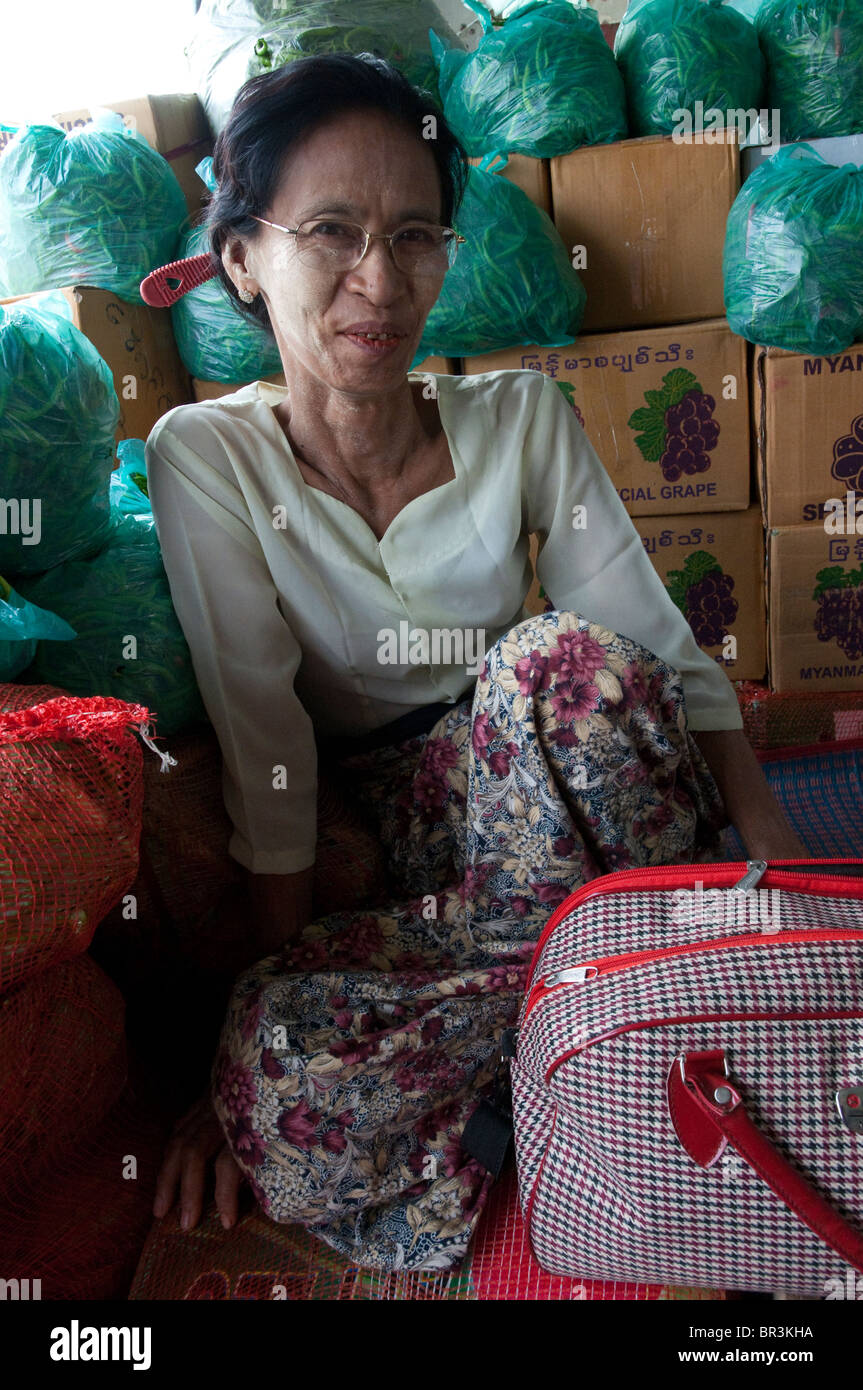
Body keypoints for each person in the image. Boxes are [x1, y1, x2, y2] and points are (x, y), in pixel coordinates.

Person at [146, 54, 806, 1271]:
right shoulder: (203, 454)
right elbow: (266, 742)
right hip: (397, 848)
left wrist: (774, 856)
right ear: (241, 256)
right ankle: (606, 1010)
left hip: (554, 796)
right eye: (330, 231)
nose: (378, 280)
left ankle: (560, 1032)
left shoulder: (520, 418)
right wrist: (266, 1000)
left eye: (414, 235)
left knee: (562, 669)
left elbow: (658, 655)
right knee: (274, 1074)